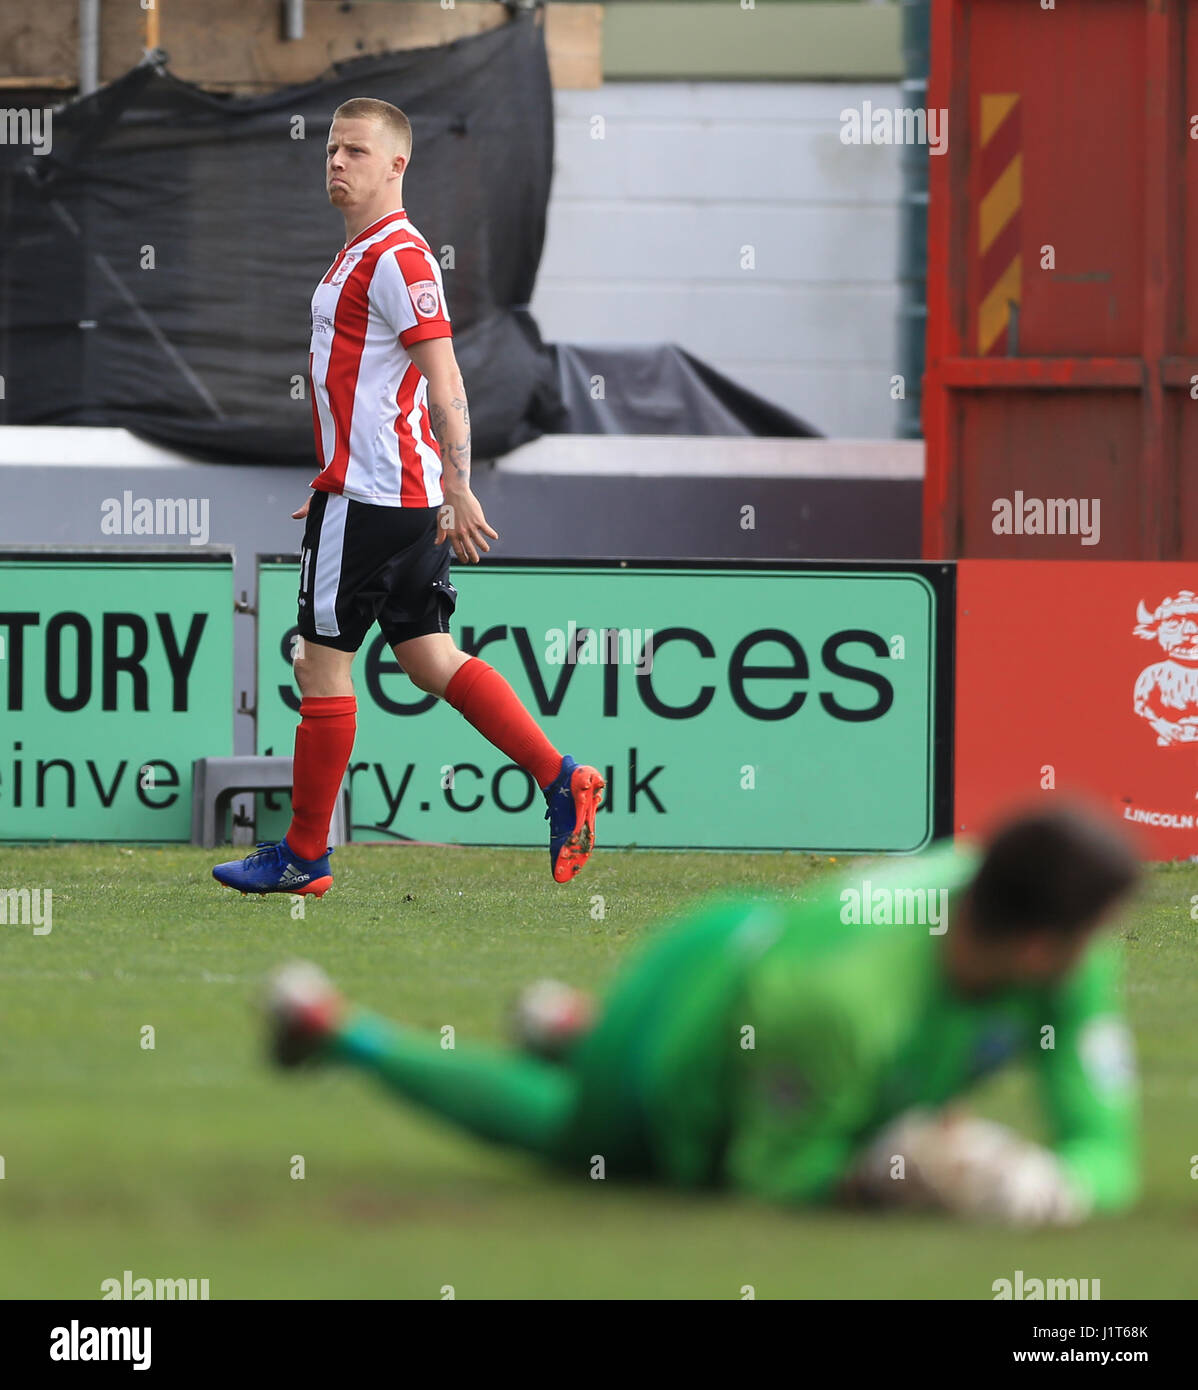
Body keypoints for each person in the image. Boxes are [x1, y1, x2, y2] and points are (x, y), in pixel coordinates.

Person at [260, 805, 1143, 1224]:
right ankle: (341, 1031)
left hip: (769, 965)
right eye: (1096, 933)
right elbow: (765, 1176)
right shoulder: (844, 1005)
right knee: (592, 1141)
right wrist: (882, 1177)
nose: (1106, 952)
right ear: (1035, 947)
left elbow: (1107, 1143)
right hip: (698, 998)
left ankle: (572, 1031)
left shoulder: (1065, 954)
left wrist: (1058, 1186)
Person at [213, 98, 603, 897]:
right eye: (331, 149)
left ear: (397, 165)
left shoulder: (397, 257)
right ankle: (562, 779)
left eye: (356, 151)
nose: (336, 162)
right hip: (387, 494)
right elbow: (373, 391)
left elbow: (445, 377)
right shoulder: (359, 253)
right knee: (429, 658)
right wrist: (341, 479)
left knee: (321, 668)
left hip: (378, 500)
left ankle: (304, 856)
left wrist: (458, 484)